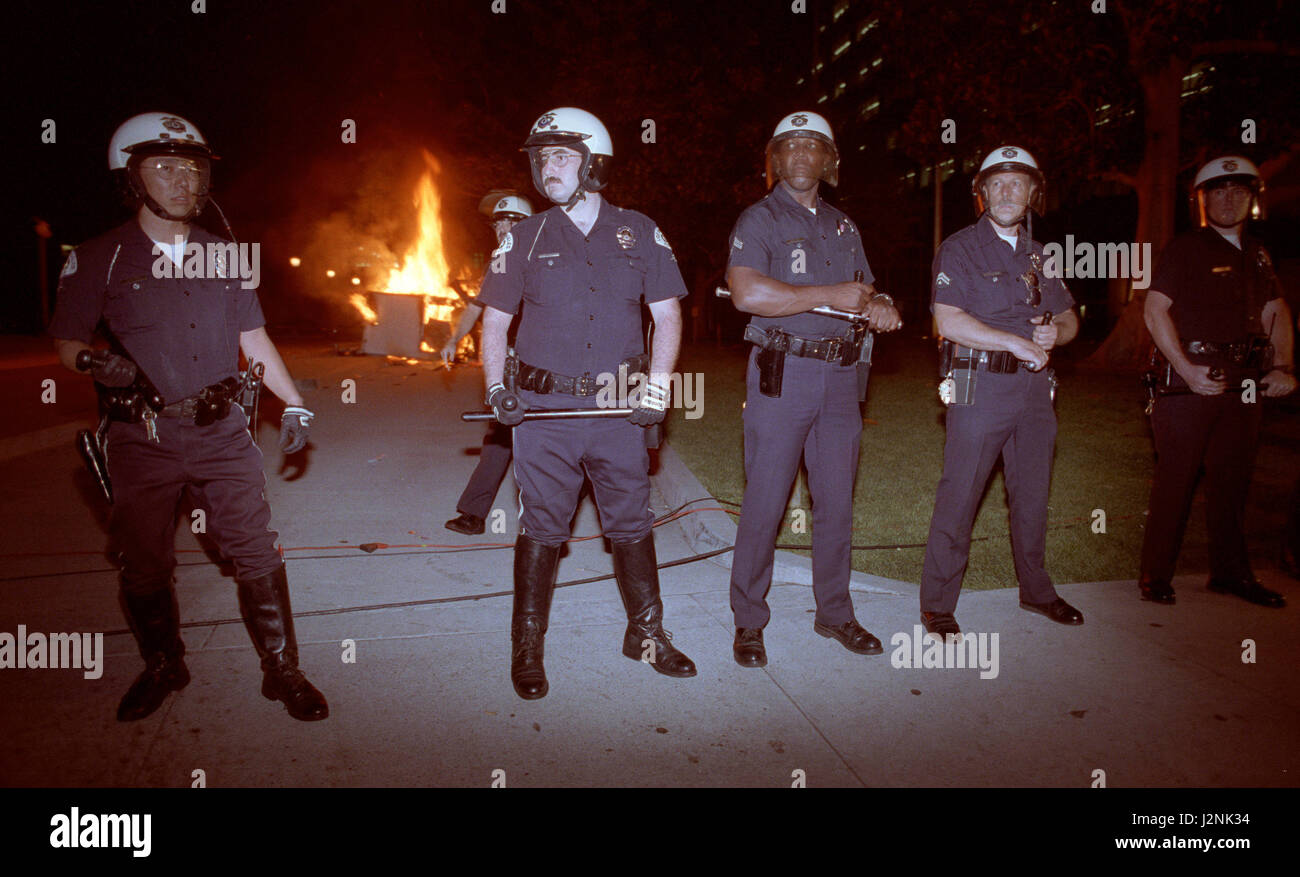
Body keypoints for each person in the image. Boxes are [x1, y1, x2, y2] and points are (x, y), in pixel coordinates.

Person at [48, 112, 328, 721]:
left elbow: (253, 337)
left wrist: (296, 402)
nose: (183, 180)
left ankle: (282, 671)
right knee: (143, 558)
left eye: (192, 168)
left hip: (223, 432)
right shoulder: (99, 257)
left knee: (256, 548)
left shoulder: (226, 255)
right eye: (165, 167)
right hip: (140, 437)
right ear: (131, 177)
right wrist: (94, 362)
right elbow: (66, 341)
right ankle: (163, 665)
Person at [475, 107, 696, 699]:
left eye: (563, 155)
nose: (549, 167)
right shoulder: (523, 236)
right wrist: (498, 390)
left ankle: (646, 634)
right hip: (543, 415)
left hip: (618, 411)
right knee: (543, 529)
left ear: (594, 164)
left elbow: (667, 313)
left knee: (630, 522)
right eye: (542, 157)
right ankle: (527, 647)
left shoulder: (640, 230)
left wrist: (657, 389)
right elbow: (493, 324)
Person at [725, 111, 902, 669]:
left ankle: (835, 613)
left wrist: (881, 307)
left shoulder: (844, 226)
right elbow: (748, 293)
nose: (801, 156)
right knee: (765, 503)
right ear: (776, 160)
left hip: (841, 379)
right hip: (784, 374)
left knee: (836, 504)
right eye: (790, 147)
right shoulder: (758, 219)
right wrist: (830, 293)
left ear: (829, 160)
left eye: (813, 147)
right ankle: (749, 622)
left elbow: (865, 292)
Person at [919, 145, 1083, 636]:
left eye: (1019, 182)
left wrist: (1058, 333)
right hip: (977, 382)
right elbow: (947, 319)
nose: (1009, 190)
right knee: (961, 491)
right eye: (998, 182)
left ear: (1034, 192)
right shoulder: (960, 248)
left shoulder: (1041, 255)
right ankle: (938, 604)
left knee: (1032, 493)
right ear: (982, 193)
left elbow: (1069, 317)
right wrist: (1013, 340)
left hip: (1034, 389)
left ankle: (1036, 591)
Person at [1138, 155, 1296, 607]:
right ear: (1203, 201)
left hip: (1244, 381)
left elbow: (1275, 311)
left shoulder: (1259, 253)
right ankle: (1155, 576)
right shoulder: (1187, 247)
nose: (1229, 200)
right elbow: (1155, 310)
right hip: (1191, 380)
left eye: (1239, 191)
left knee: (1233, 481)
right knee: (1176, 480)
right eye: (1218, 192)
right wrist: (1187, 370)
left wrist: (1281, 365)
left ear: (1252, 198)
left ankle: (1230, 573)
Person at [443, 193, 533, 536]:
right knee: (499, 436)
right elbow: (475, 307)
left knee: (557, 440)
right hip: (510, 367)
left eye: (512, 222)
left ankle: (617, 516)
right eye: (499, 223)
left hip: (547, 366)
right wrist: (454, 339)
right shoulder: (497, 263)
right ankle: (473, 513)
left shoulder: (546, 260)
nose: (503, 229)